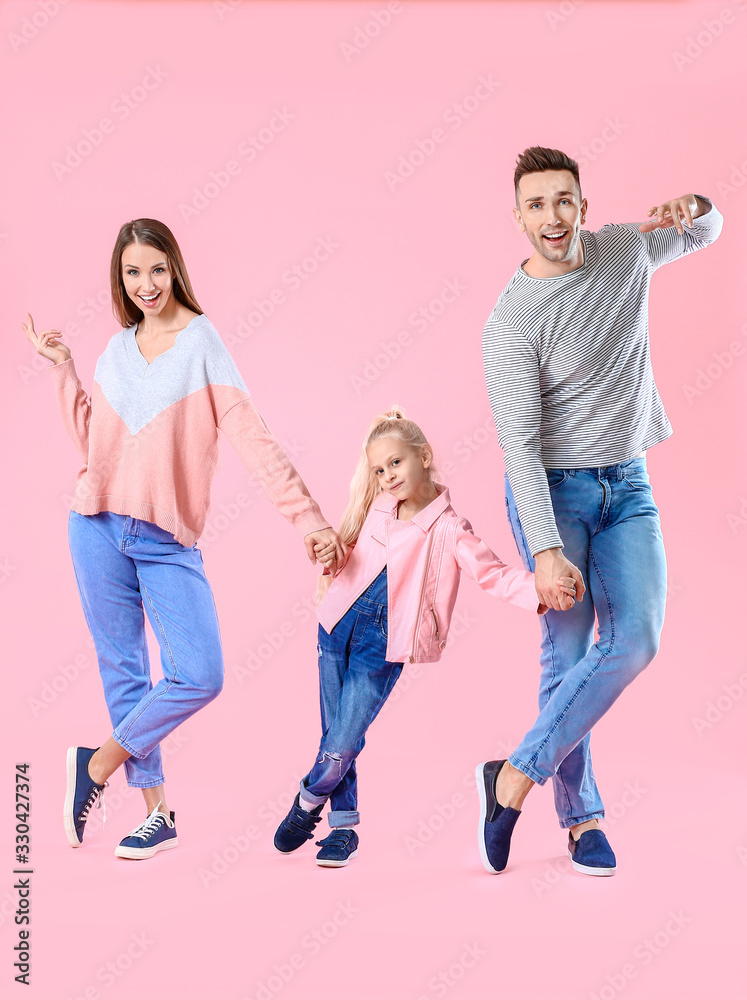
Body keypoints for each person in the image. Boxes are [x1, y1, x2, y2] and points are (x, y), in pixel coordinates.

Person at [22, 218, 342, 861]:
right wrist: (64, 370)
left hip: (167, 539)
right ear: (121, 276)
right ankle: (156, 814)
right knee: (126, 672)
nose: (146, 284)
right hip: (95, 526)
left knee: (199, 673)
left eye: (157, 269)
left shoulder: (202, 343)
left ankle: (96, 765)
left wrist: (308, 519)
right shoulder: (115, 351)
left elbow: (252, 437)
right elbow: (95, 445)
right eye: (133, 272)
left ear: (176, 269)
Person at [478, 146, 723, 876]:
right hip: (553, 493)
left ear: (583, 204)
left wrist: (697, 205)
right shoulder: (511, 322)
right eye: (536, 205)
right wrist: (546, 550)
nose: (552, 217)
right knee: (568, 656)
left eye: (564, 200)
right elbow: (517, 444)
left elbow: (706, 233)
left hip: (629, 485)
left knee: (636, 639)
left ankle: (511, 777)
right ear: (517, 217)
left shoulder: (621, 249)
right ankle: (581, 820)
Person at [273, 407, 576, 867]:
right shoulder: (376, 507)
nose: (388, 476)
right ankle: (344, 829)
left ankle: (308, 798)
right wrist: (330, 553)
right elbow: (350, 556)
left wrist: (539, 588)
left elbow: (492, 575)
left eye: (396, 463)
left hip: (384, 641)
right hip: (336, 624)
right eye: (379, 469)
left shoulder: (450, 528)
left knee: (343, 737)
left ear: (424, 456)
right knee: (335, 731)